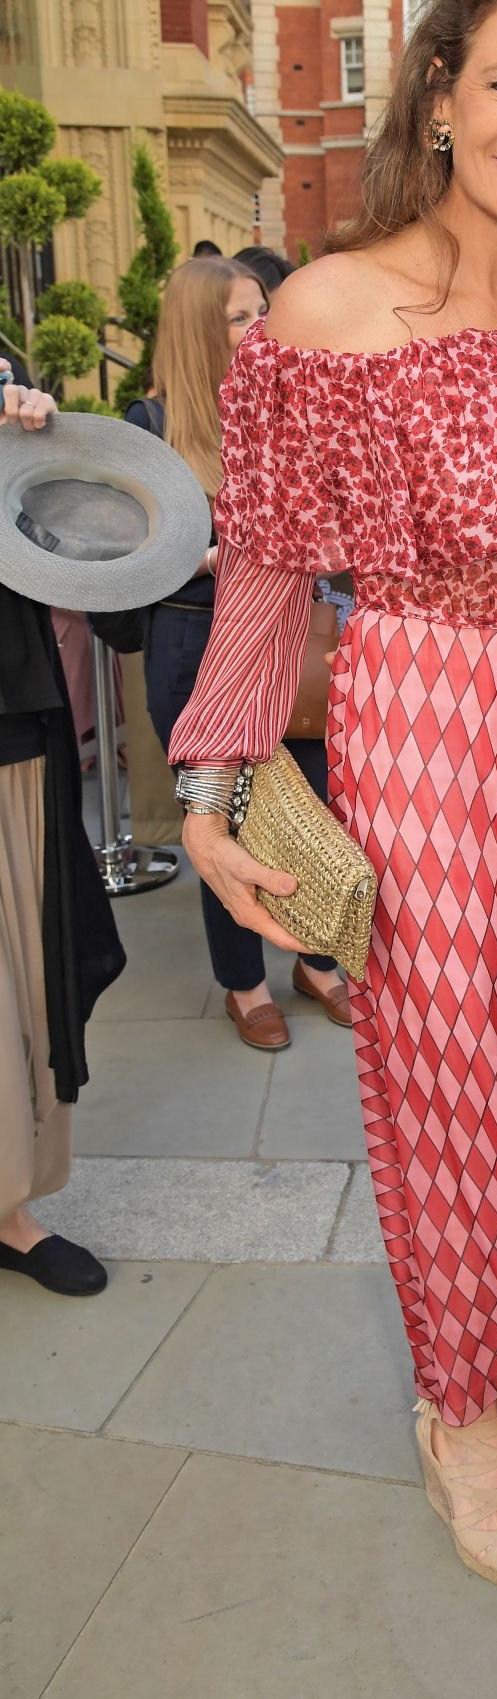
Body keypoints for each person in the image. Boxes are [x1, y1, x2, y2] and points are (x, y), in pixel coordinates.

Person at [169, 0, 497, 1587]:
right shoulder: (328, 305)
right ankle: (466, 1410)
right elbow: (264, 570)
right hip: (423, 719)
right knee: (455, 1086)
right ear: (442, 95)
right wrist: (212, 789)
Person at [128, 257, 349, 1049]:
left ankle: (317, 961)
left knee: (318, 804)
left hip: (295, 637)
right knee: (221, 817)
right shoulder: (151, 426)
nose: (261, 327)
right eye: (240, 317)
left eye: (264, 310)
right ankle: (243, 983)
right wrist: (233, 556)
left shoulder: (286, 410)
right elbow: (128, 557)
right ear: (199, 331)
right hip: (193, 637)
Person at [0, 370, 125, 1297]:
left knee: (24, 979)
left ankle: (9, 1209)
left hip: (11, 726)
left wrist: (45, 454)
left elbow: (101, 583)